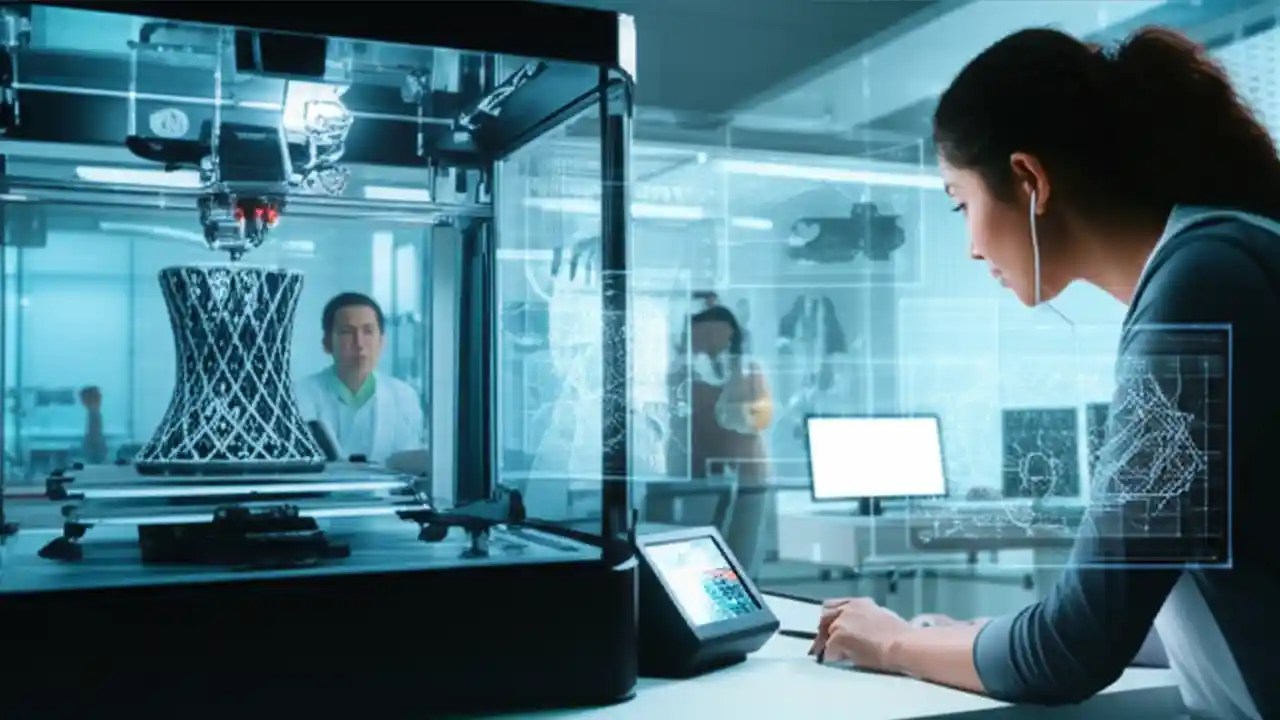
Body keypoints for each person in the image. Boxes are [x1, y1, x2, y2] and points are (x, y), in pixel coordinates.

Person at [810, 26, 1280, 718]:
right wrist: (974, 639)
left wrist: (895, 644)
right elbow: (1165, 609)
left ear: (1030, 180)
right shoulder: (1232, 258)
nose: (970, 246)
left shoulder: (1200, 288)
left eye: (960, 203)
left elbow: (1073, 649)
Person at [662, 304, 774, 576]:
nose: (709, 344)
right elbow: (678, 420)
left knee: (741, 562)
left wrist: (733, 377)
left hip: (747, 478)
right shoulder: (681, 375)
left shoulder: (749, 372)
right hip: (697, 480)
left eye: (717, 336)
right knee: (696, 562)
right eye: (702, 337)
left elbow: (754, 419)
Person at [293, 292, 426, 467]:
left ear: (382, 342)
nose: (359, 343)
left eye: (368, 331)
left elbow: (410, 464)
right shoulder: (299, 395)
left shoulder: (404, 396)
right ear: (326, 343)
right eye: (346, 332)